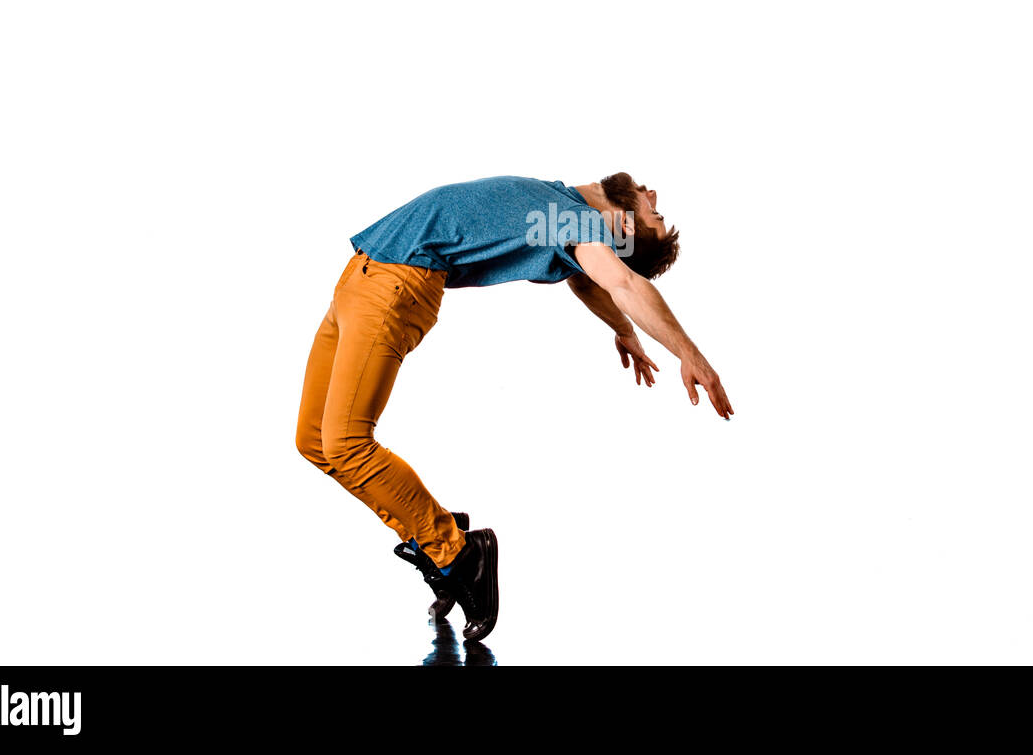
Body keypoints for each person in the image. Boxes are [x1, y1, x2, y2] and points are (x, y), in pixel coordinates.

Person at [294, 173, 734, 643]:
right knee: (315, 441)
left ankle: (458, 552)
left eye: (656, 214)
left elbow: (621, 280)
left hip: (394, 284)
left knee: (346, 444)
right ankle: (436, 537)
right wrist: (623, 329)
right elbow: (588, 281)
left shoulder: (576, 221)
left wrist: (688, 351)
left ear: (624, 229)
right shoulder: (563, 207)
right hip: (359, 281)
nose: (654, 195)